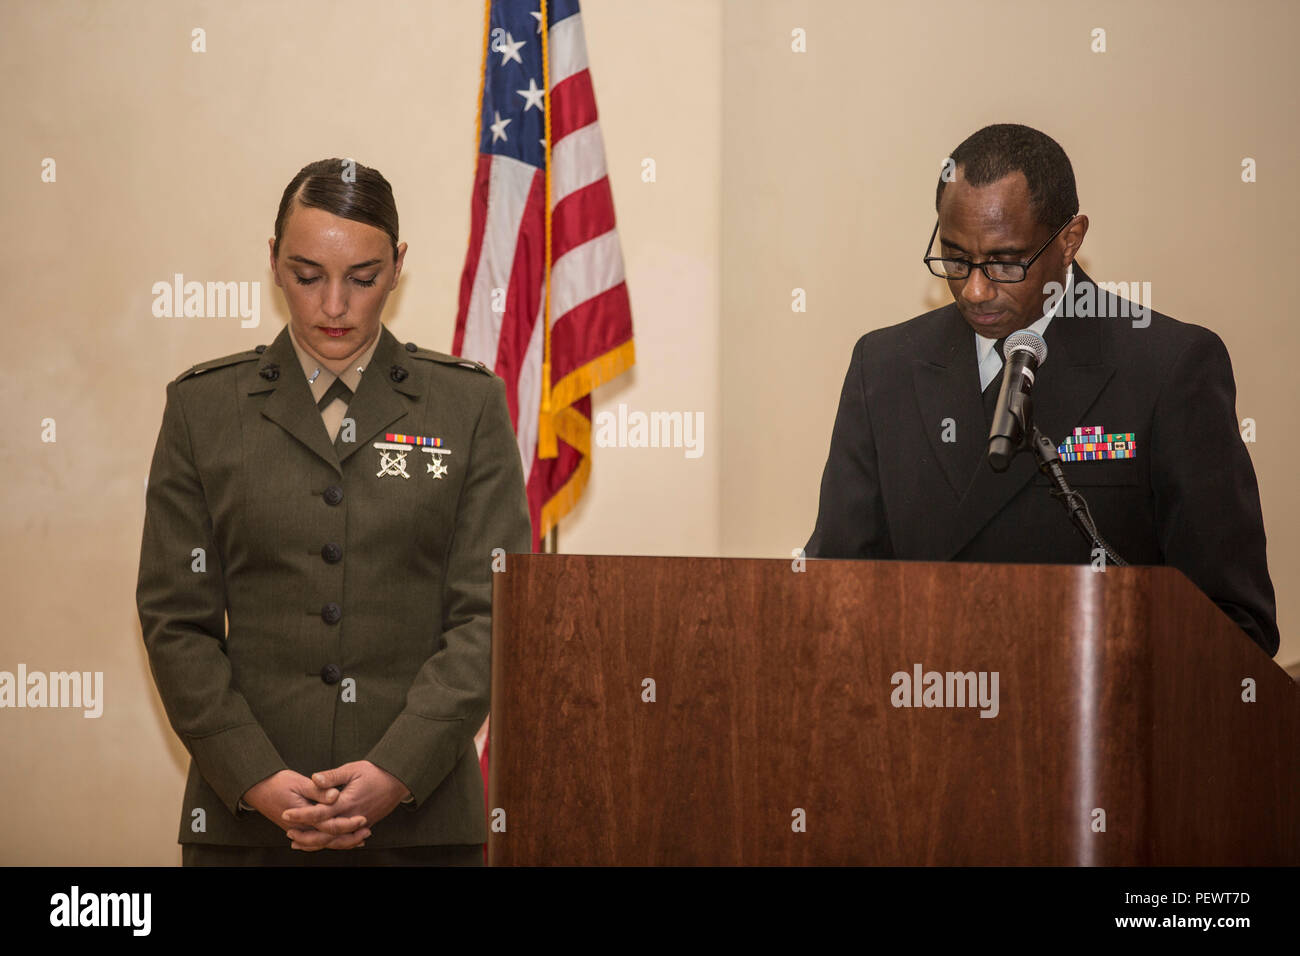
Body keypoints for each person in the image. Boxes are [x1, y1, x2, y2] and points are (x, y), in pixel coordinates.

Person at [136, 158, 532, 865]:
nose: (334, 307)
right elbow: (176, 620)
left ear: (398, 266)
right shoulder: (203, 409)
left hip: (422, 824)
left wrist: (397, 772)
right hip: (246, 827)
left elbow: (491, 611)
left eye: (363, 277)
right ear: (273, 264)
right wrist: (254, 775)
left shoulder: (467, 407)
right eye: (308, 274)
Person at [806, 124, 1279, 657]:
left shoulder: (1168, 368)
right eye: (956, 259)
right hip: (918, 713)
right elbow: (835, 591)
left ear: (1070, 240)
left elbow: (1234, 623)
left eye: (1006, 262)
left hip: (1092, 723)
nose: (976, 290)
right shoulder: (884, 368)